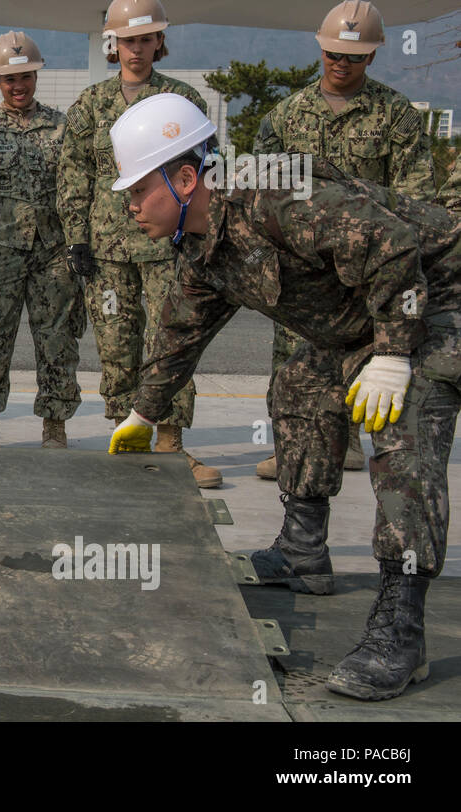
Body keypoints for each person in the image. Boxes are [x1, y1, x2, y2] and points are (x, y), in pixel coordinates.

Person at [107, 93, 458, 701]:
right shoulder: (204, 244)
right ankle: (302, 552)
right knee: (299, 386)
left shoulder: (278, 195)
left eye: (139, 190)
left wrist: (396, 353)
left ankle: (402, 628)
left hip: (434, 297)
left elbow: (396, 246)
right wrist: (144, 411)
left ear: (186, 178)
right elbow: (179, 331)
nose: (132, 206)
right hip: (361, 317)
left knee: (400, 429)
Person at [253, 0, 443, 480]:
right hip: (304, 265)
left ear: (372, 57)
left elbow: (414, 195)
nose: (341, 63)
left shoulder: (395, 116)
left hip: (370, 263)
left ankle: (354, 443)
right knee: (294, 360)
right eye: (334, 54)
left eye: (353, 57)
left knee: (364, 351)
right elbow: (263, 190)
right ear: (321, 50)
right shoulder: (285, 118)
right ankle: (290, 447)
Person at [56, 0, 220, 488]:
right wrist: (76, 238)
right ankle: (127, 439)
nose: (135, 50)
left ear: (158, 42)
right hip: (107, 250)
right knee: (116, 344)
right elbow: (72, 174)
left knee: (170, 340)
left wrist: (200, 235)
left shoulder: (180, 101)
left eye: (146, 39)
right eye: (127, 40)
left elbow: (206, 170)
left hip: (168, 247)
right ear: (113, 44)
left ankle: (171, 444)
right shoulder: (90, 104)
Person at [0, 31, 83, 447]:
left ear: (35, 75)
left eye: (25, 75)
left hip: (52, 257)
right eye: (10, 79)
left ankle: (55, 425)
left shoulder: (64, 131)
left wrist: (79, 246)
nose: (19, 85)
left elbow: (78, 190)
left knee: (57, 341)